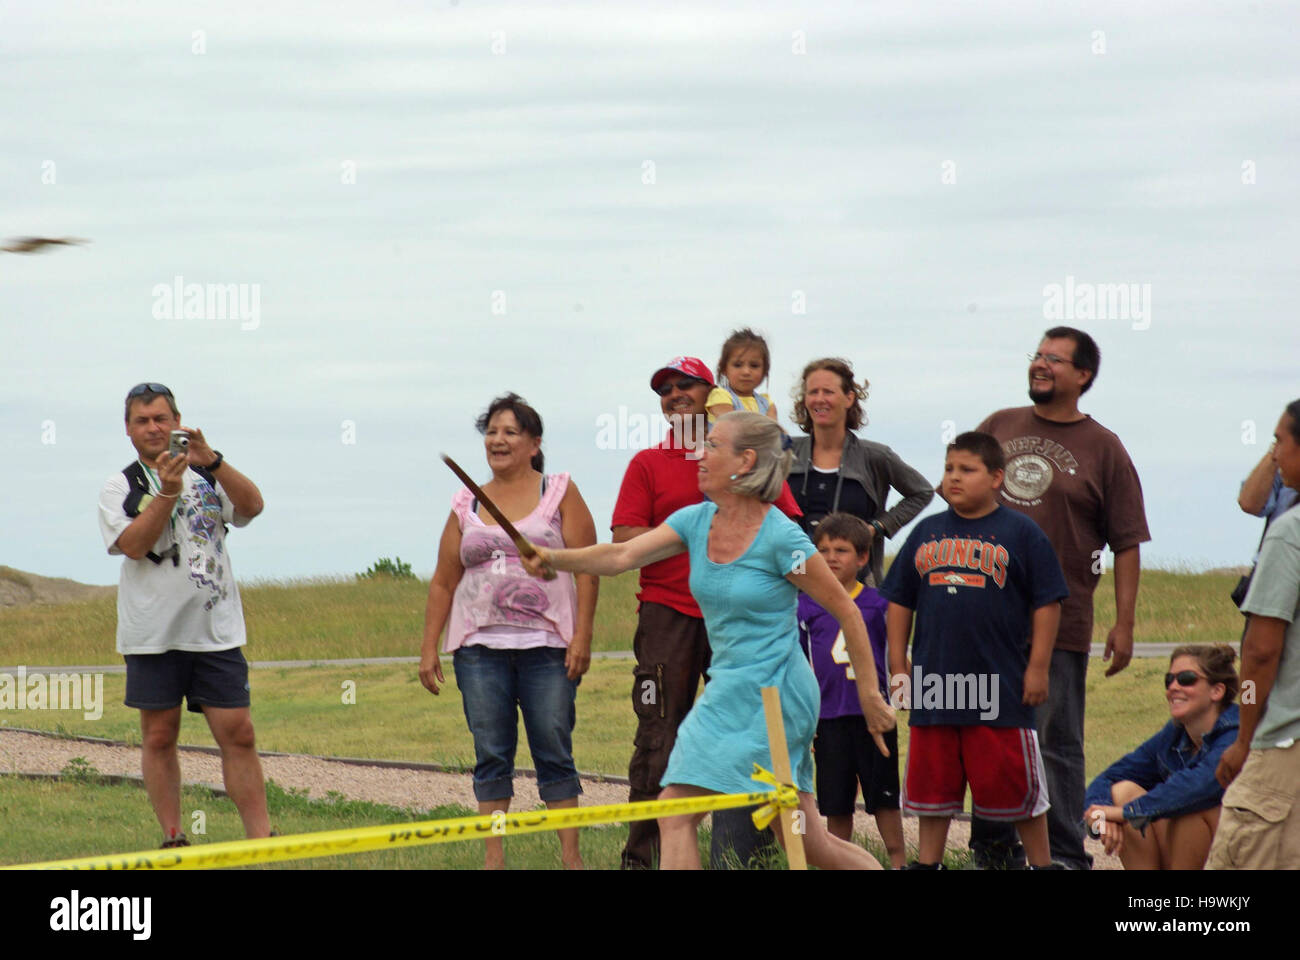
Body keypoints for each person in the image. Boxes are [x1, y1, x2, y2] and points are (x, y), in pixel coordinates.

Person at [525, 412, 896, 870]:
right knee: (682, 811)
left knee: (801, 839)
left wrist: (872, 698)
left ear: (745, 460)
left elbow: (847, 611)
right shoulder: (695, 522)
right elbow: (621, 554)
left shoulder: (781, 536)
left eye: (713, 446)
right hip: (727, 690)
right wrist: (553, 558)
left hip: (776, 694)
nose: (700, 454)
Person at [969, 327, 1150, 870]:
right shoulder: (998, 426)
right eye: (1037, 355)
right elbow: (959, 496)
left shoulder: (1104, 447)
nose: (1040, 364)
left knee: (1053, 742)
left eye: (1054, 358)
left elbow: (1127, 542)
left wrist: (1125, 624)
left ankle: (1065, 857)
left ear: (1083, 375)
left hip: (1062, 619)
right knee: (986, 734)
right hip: (982, 617)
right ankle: (994, 853)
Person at [611, 356, 796, 869]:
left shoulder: (743, 454)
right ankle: (642, 857)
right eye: (664, 390)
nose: (673, 395)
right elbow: (624, 539)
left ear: (708, 392)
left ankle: (742, 852)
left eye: (683, 385)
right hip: (667, 613)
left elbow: (785, 521)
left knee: (748, 726)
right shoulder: (648, 462)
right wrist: (695, 535)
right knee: (659, 731)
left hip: (740, 617)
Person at [418, 392, 598, 870]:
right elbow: (443, 580)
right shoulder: (466, 501)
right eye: (492, 432)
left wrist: (582, 637)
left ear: (534, 444)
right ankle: (493, 860)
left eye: (510, 432)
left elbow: (588, 567)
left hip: (548, 647)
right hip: (479, 650)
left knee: (554, 750)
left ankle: (571, 858)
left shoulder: (558, 491)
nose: (498, 440)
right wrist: (428, 648)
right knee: (491, 754)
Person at [880, 431, 1068, 870]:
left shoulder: (1021, 533)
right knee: (933, 788)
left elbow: (1048, 602)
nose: (954, 478)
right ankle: (927, 864)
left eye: (967, 469)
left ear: (997, 477)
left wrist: (1038, 666)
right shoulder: (927, 531)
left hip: (998, 686)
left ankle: (1042, 864)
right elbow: (899, 600)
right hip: (935, 684)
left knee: (1016, 788)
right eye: (949, 469)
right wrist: (897, 663)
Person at [97, 382, 270, 847]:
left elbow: (252, 506)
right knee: (158, 735)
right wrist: (168, 493)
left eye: (161, 418)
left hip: (215, 629)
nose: (153, 428)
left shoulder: (208, 473)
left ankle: (262, 838)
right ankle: (174, 836)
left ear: (178, 422)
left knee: (239, 732)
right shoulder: (121, 485)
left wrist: (211, 458)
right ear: (128, 430)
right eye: (142, 420)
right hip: (152, 633)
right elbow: (131, 545)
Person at [1210, 399, 1300, 869]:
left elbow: (1261, 653)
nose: (1276, 453)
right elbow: (1250, 498)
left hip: (1284, 738)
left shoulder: (1290, 533)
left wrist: (1245, 737)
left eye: (1281, 441)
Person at [797, 513, 905, 867]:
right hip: (827, 719)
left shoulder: (879, 604)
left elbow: (895, 656)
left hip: (872, 717)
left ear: (862, 557)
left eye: (841, 550)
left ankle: (898, 860)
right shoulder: (805, 604)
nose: (830, 557)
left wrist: (899, 699)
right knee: (835, 804)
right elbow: (800, 662)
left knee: (885, 801)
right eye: (822, 549)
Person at [1083, 645, 1240, 869]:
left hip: (1241, 854)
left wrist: (1126, 813)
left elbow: (1199, 786)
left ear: (1217, 691)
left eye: (1186, 678)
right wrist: (1101, 820)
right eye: (1169, 680)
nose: (1174, 687)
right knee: (1123, 790)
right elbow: (1110, 777)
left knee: (1189, 811)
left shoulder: (1237, 732)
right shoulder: (1174, 734)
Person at [787, 357, 934, 587]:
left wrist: (877, 527)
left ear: (849, 398)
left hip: (858, 587)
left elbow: (922, 492)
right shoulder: (785, 452)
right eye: (813, 392)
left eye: (828, 391)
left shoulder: (874, 456)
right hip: (793, 587)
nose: (819, 399)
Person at [706, 327, 779, 423]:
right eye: (737, 365)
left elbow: (774, 431)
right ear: (724, 368)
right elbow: (733, 427)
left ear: (765, 369)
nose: (746, 372)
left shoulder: (766, 403)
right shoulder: (720, 396)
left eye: (754, 366)